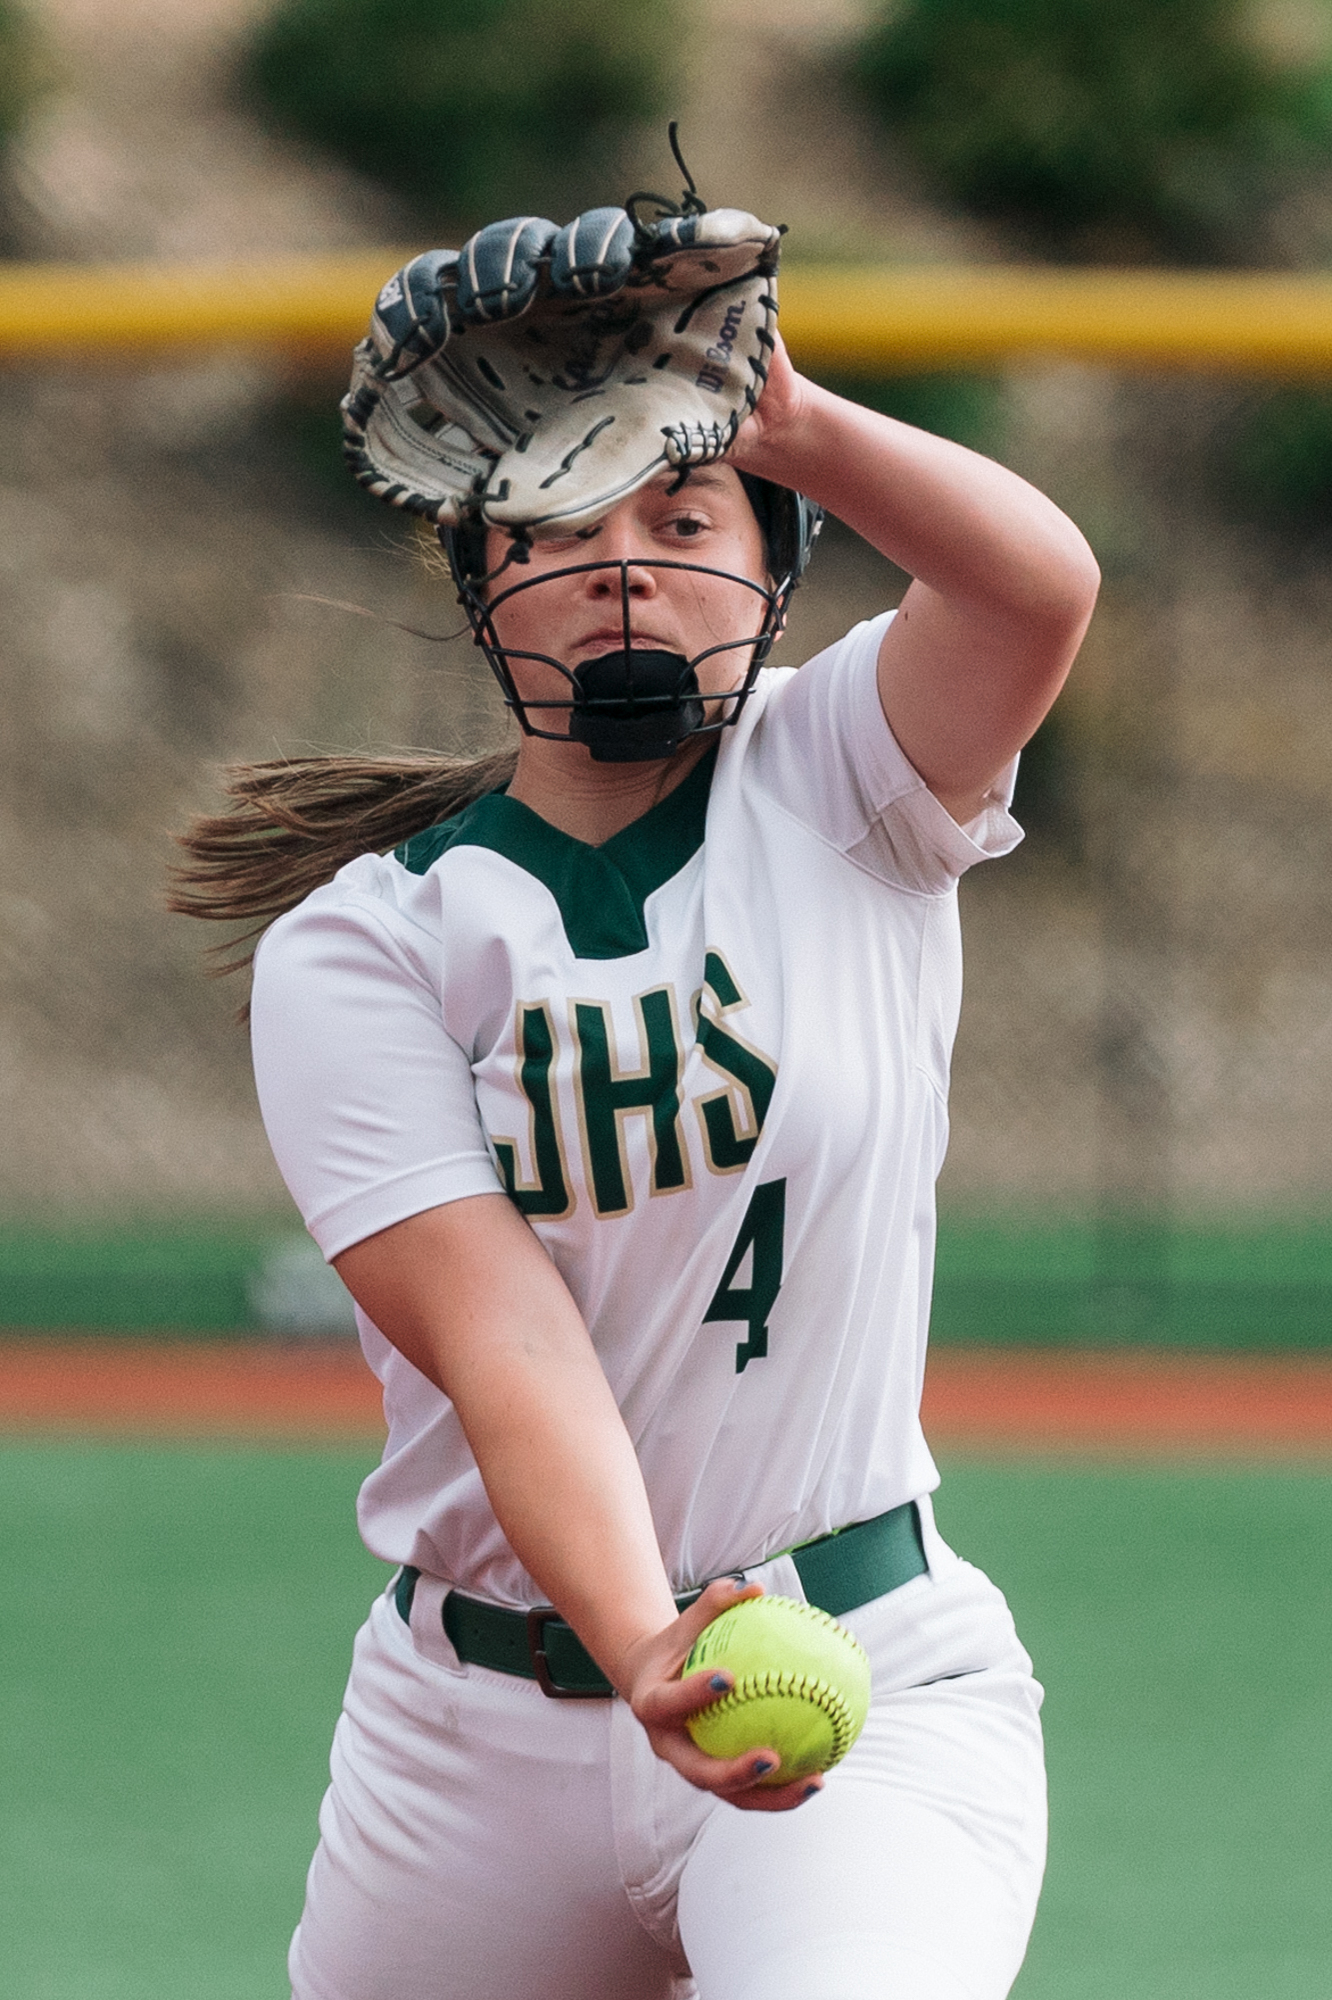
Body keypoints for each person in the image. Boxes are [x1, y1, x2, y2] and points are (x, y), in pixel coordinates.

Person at [175, 221, 1097, 2000]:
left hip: (864, 1670)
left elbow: (1035, 589)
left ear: (772, 561)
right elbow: (507, 1342)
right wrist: (646, 1639)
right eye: (561, 526)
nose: (622, 567)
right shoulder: (366, 947)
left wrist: (790, 416)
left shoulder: (850, 783)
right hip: (473, 1739)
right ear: (480, 584)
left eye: (682, 520)